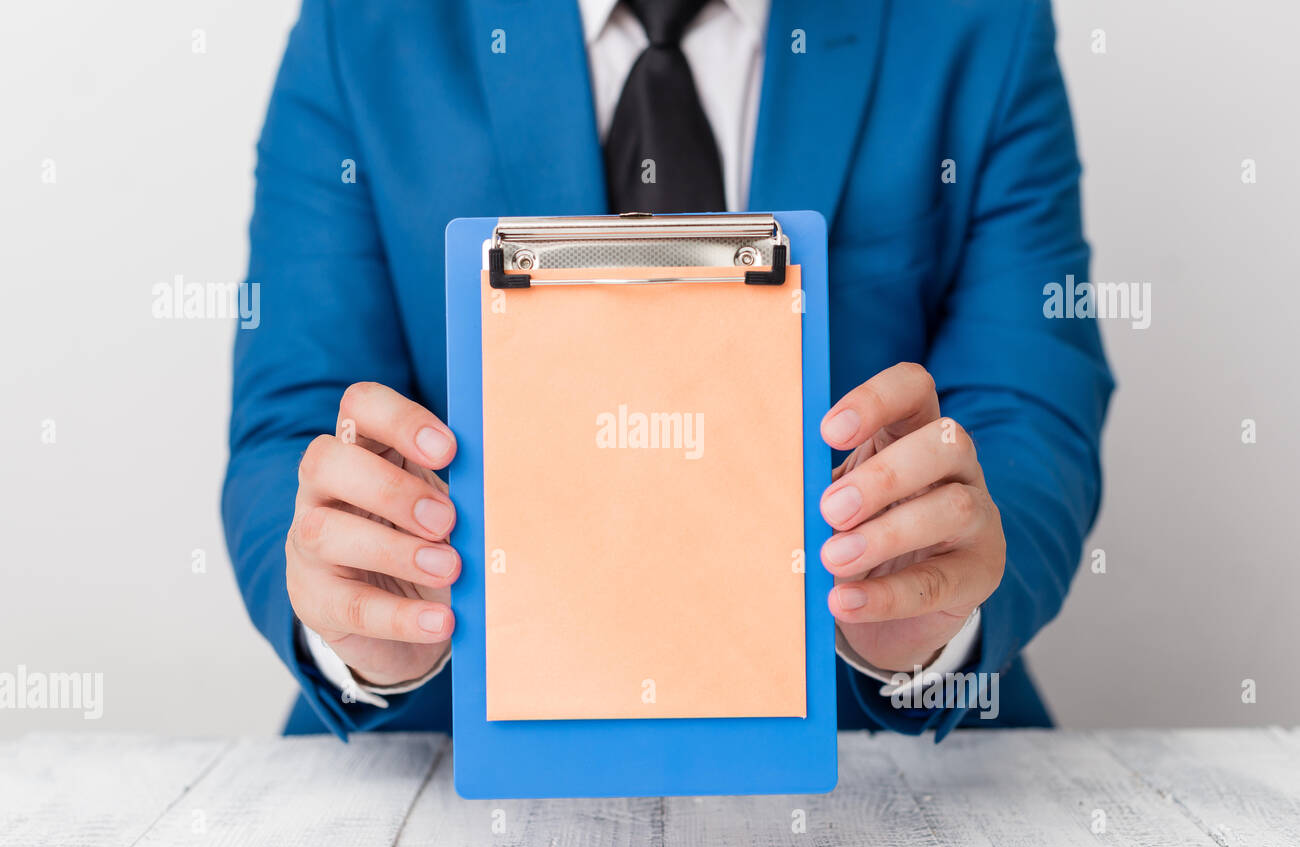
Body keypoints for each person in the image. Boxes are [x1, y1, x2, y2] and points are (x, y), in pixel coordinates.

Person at [223, 0, 1113, 740]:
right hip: (445, 737)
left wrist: (930, 612)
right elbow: (292, 423)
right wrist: (359, 618)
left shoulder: (979, 23)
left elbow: (1033, 406)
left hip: (884, 743)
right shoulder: (358, 28)